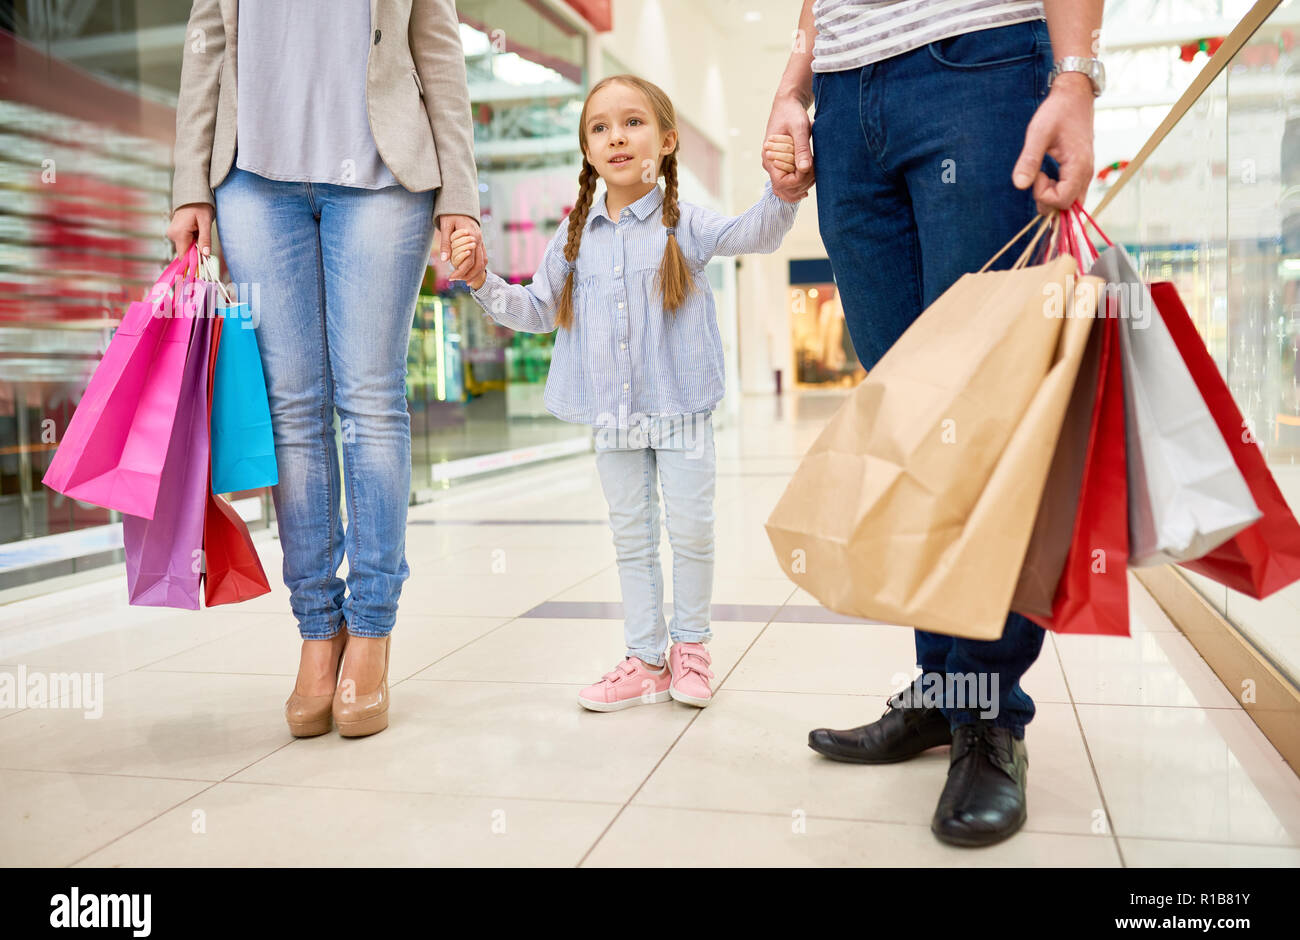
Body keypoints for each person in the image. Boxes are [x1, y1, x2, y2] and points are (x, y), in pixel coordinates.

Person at [763, 0, 1104, 846]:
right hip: (845, 100)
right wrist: (793, 85)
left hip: (982, 67)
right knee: (911, 419)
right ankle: (944, 684)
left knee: (985, 413)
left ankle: (989, 711)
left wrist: (1075, 75)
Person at [165, 0, 487, 739]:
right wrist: (189, 183)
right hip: (252, 176)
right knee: (292, 410)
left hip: (381, 173)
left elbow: (436, 48)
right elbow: (206, 43)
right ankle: (317, 627)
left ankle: (371, 626)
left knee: (371, 400)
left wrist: (460, 198)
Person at [451, 74, 801, 712]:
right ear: (587, 151)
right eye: (600, 127)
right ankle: (645, 659)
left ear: (667, 142)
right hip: (612, 416)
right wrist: (481, 279)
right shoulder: (574, 237)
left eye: (633, 122)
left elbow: (755, 234)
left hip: (682, 411)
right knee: (631, 535)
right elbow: (535, 308)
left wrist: (780, 193)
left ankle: (690, 649)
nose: (617, 136)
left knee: (692, 531)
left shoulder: (686, 225)